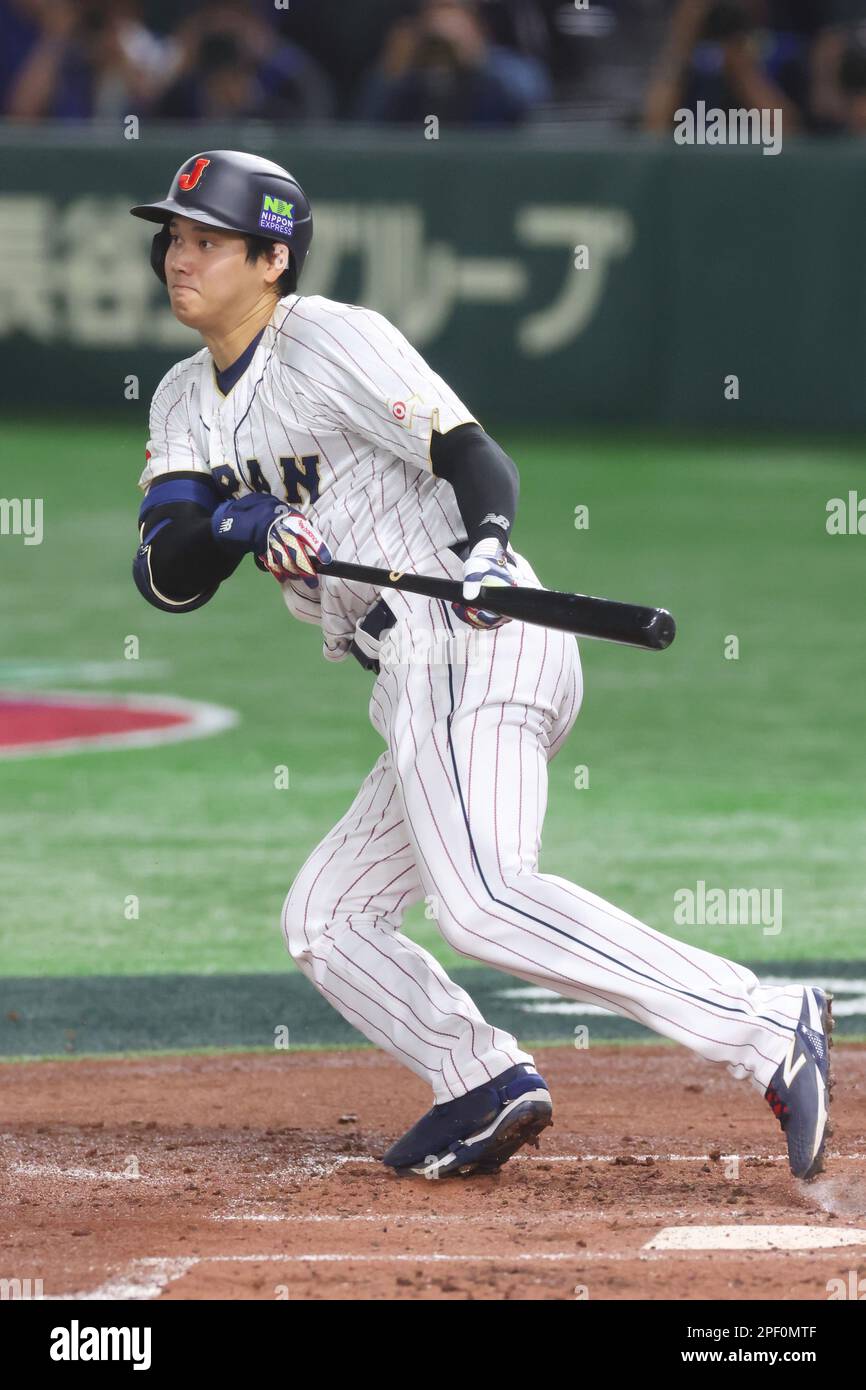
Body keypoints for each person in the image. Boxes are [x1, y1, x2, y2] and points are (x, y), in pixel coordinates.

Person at [130, 149, 833, 1181]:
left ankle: (767, 1021)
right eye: (173, 238)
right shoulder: (185, 400)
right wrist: (241, 519)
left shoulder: (331, 339)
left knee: (484, 900)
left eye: (204, 240)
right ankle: (479, 1079)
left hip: (468, 632)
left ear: (271, 258)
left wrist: (488, 548)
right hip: (413, 675)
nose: (177, 257)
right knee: (328, 919)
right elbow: (165, 574)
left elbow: (471, 455)